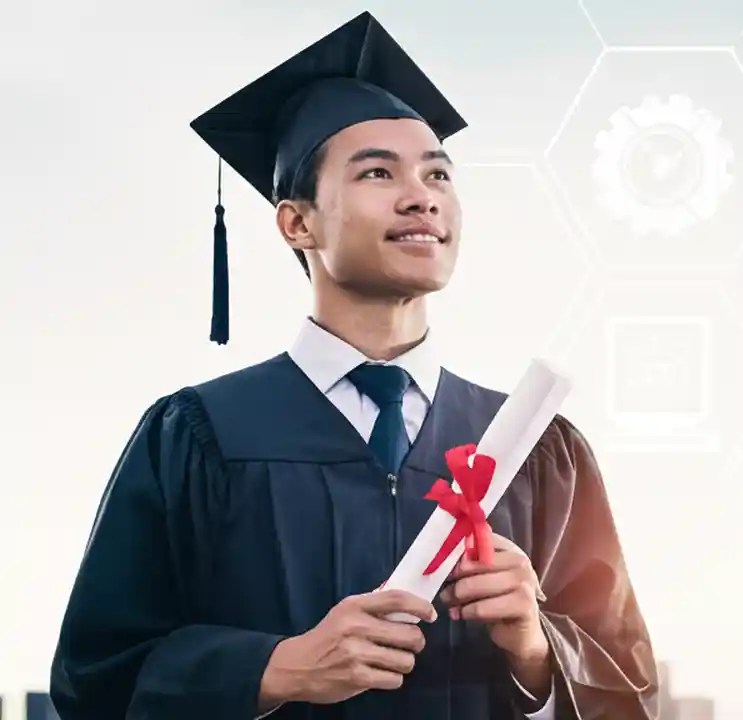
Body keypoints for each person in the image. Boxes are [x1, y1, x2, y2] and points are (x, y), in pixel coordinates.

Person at [47, 11, 658, 719]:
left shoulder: (536, 446)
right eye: (377, 171)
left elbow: (630, 689)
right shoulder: (197, 435)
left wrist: (536, 650)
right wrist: (273, 669)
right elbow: (96, 679)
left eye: (438, 173)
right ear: (297, 222)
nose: (421, 194)